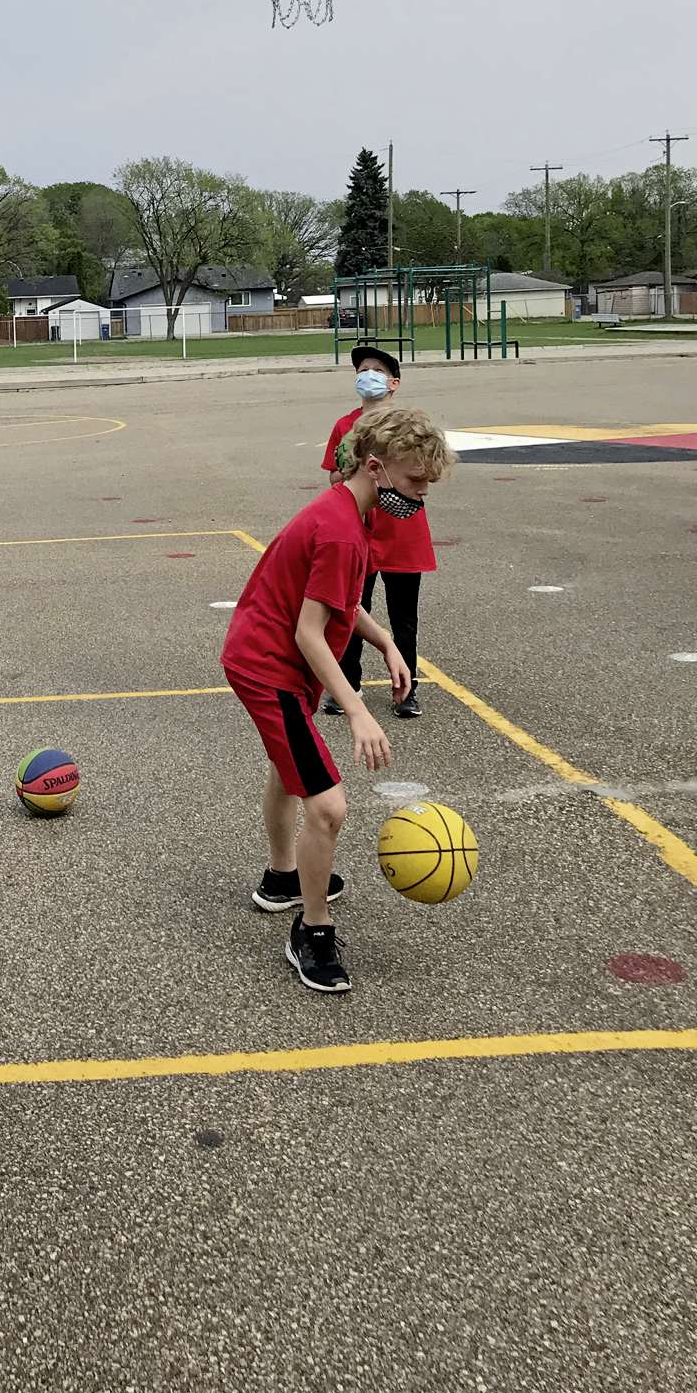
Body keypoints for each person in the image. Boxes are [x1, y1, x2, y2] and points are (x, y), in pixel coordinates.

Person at [222, 406, 452, 994]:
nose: (421, 494)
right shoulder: (342, 531)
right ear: (375, 468)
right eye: (415, 481)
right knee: (328, 807)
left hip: (273, 659)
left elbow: (342, 602)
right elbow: (310, 631)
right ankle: (313, 930)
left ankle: (282, 879)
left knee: (289, 768)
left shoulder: (350, 513)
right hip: (269, 668)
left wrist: (386, 642)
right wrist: (357, 709)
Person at [319, 341, 436, 719]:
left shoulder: (411, 428)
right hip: (361, 531)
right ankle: (347, 684)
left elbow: (423, 474)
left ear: (394, 383)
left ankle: (406, 688)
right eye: (361, 371)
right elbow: (334, 477)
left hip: (403, 530)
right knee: (351, 611)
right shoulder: (345, 426)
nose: (367, 376)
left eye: (377, 371)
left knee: (404, 619)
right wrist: (351, 471)